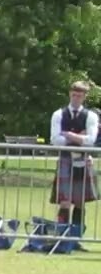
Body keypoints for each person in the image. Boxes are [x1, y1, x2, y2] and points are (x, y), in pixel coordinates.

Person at [49, 80, 98, 231]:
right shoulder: (58, 114)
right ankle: (62, 235)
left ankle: (75, 238)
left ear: (84, 97)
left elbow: (91, 141)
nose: (75, 98)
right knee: (65, 201)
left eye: (79, 96)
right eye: (73, 95)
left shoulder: (91, 116)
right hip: (65, 159)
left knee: (80, 201)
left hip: (83, 160)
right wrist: (79, 137)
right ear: (70, 94)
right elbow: (55, 141)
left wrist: (68, 134)